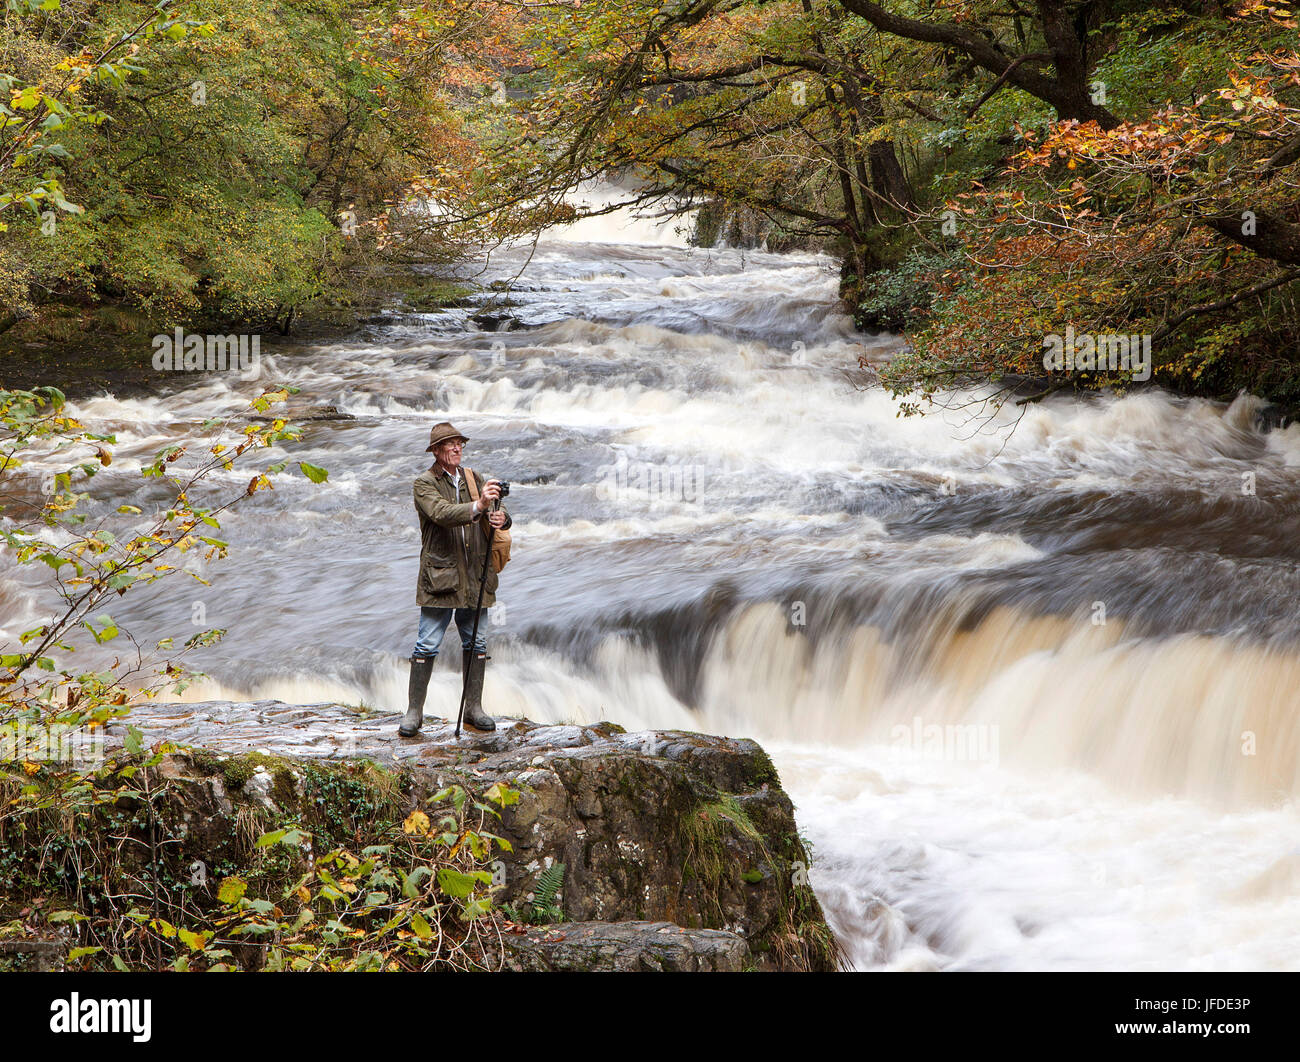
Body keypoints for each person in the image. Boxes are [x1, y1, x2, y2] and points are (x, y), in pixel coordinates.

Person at [399, 421, 511, 737]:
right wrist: (478, 505)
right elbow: (443, 514)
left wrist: (501, 517)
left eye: (460, 442)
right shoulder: (424, 484)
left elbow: (496, 517)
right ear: (436, 451)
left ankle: (474, 709)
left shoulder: (474, 478)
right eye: (450, 444)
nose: (457, 448)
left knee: (476, 641)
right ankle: (414, 712)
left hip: (476, 577)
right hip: (440, 579)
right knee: (427, 643)